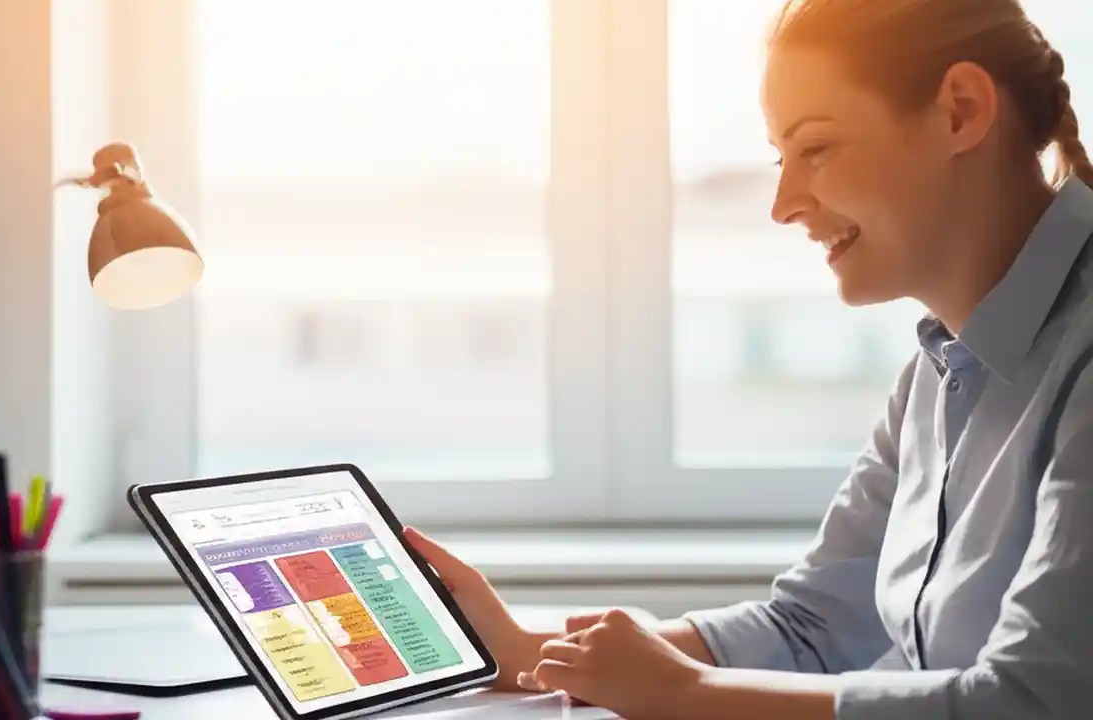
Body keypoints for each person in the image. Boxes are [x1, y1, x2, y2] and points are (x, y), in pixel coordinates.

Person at [405, 0, 1093, 718]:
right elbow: (813, 628)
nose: (784, 204)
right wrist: (528, 654)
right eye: (781, 157)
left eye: (816, 148)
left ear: (960, 110)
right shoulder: (943, 370)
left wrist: (687, 695)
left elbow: (1039, 702)